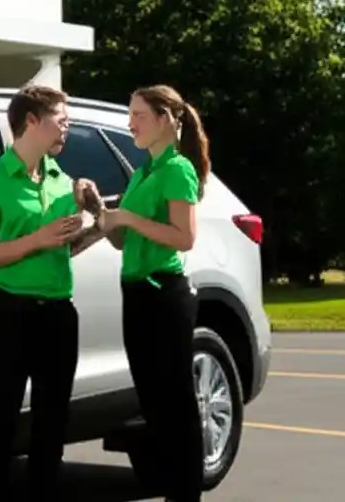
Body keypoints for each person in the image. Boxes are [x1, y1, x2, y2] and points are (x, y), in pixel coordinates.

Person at [0, 84, 105, 500]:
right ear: (31, 121)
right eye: (62, 121)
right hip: (12, 313)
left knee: (53, 417)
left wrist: (96, 225)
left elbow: (64, 248)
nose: (68, 128)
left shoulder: (64, 182)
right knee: (2, 414)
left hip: (59, 315)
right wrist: (37, 239)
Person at [99, 84, 209, 502]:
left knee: (175, 402)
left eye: (138, 116)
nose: (131, 124)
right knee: (153, 402)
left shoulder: (177, 169)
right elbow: (125, 241)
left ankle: (185, 495)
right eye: (130, 115)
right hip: (137, 294)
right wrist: (106, 218)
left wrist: (129, 216)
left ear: (165, 118)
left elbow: (184, 237)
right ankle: (173, 489)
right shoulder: (144, 171)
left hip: (165, 294)